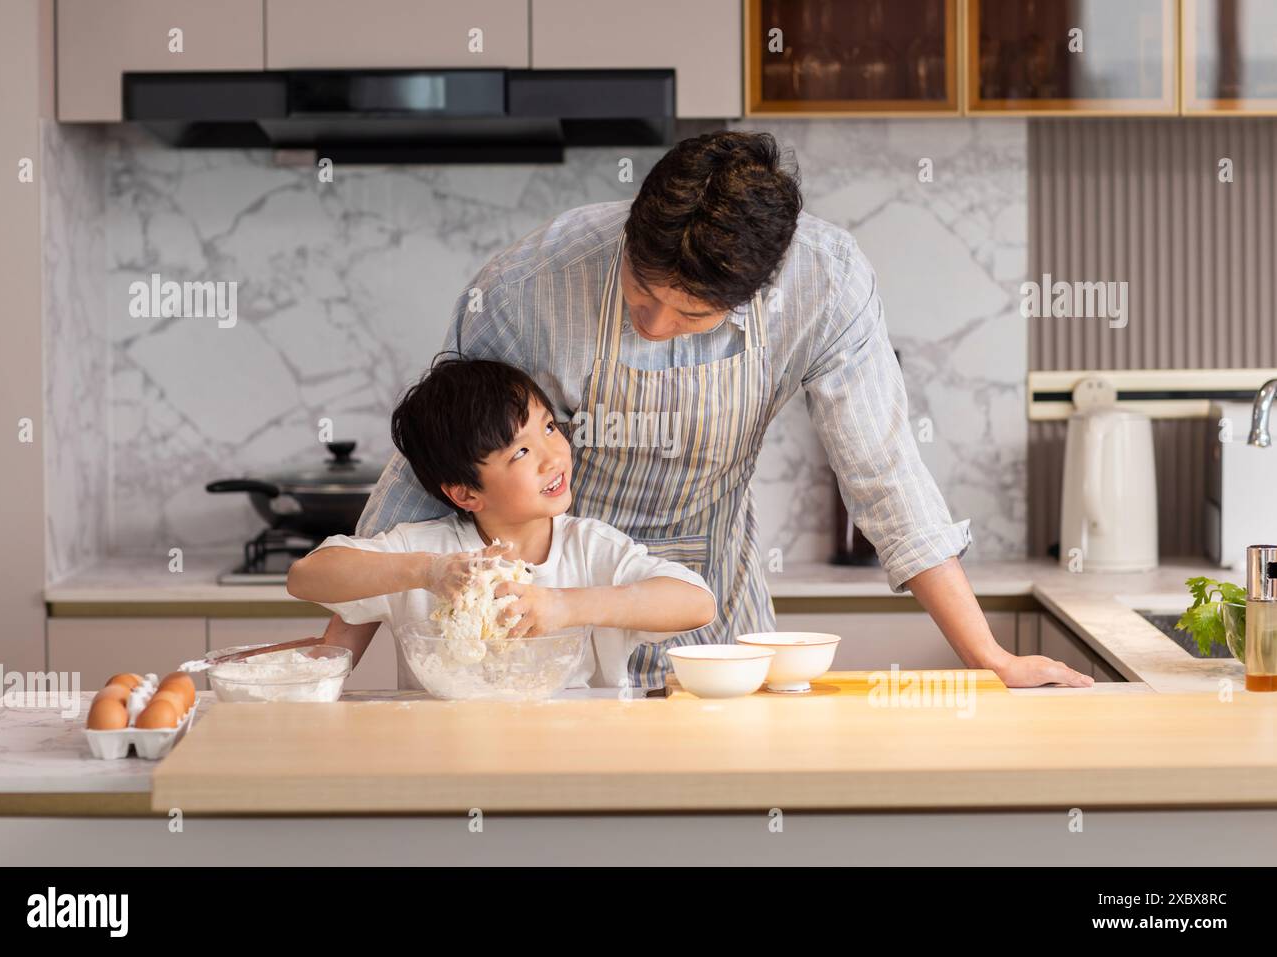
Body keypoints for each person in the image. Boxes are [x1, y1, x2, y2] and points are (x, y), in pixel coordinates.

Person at [323, 130, 1092, 690]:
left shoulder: (824, 285)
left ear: (760, 289)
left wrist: (989, 655)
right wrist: (326, 669)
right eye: (639, 294)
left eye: (690, 316)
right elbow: (426, 471)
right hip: (544, 650)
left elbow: (886, 477)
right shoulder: (531, 283)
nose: (654, 325)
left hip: (714, 625)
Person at [287, 356, 716, 689]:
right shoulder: (432, 553)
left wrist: (565, 606)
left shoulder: (590, 549)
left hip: (578, 755)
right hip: (451, 758)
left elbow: (696, 603)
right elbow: (306, 577)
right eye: (521, 453)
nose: (553, 456)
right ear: (465, 493)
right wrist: (426, 571)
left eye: (549, 428)